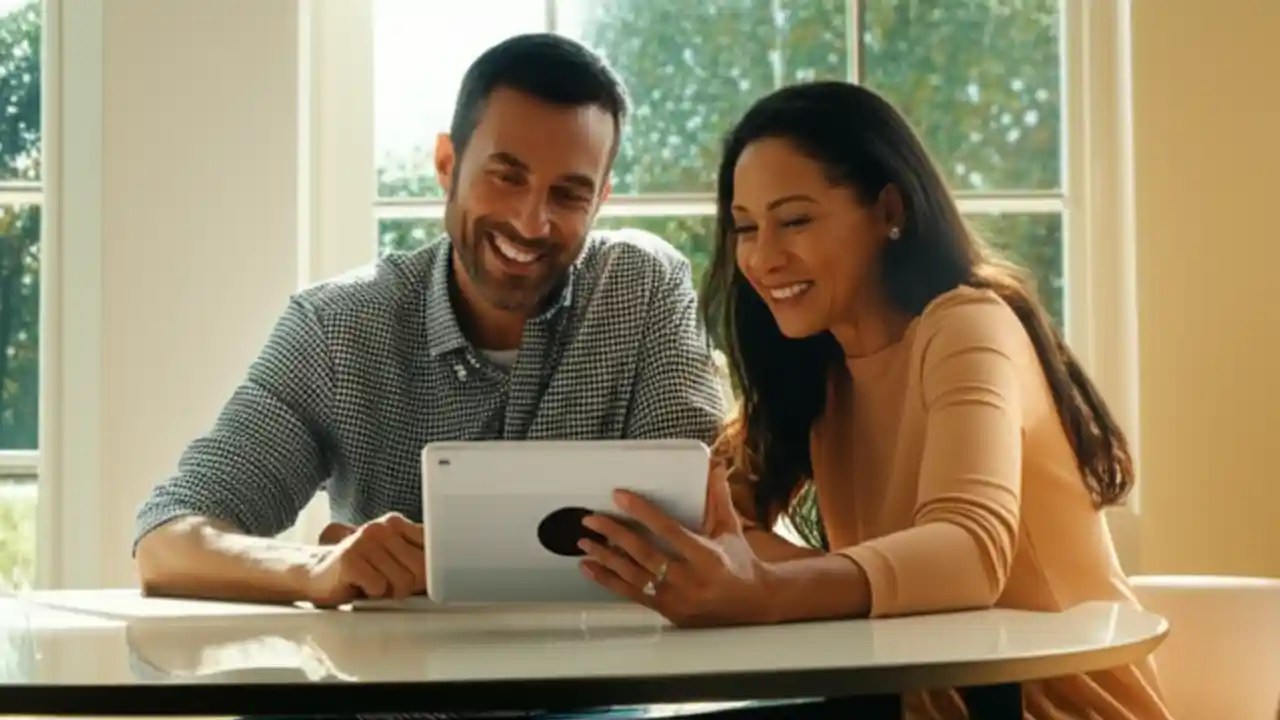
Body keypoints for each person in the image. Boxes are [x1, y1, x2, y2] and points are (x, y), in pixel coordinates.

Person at [577, 81, 1174, 718]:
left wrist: (770, 588)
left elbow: (969, 552)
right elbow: (723, 517)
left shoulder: (968, 324)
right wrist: (759, 580)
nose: (763, 257)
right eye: (745, 227)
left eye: (796, 220)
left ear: (890, 210)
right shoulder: (815, 368)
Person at [131, 33, 727, 609]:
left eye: (568, 194)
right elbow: (167, 541)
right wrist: (318, 570)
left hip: (597, 695)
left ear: (600, 201)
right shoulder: (337, 327)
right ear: (448, 164)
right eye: (506, 176)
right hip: (394, 700)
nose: (530, 221)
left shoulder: (644, 288)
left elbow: (704, 526)